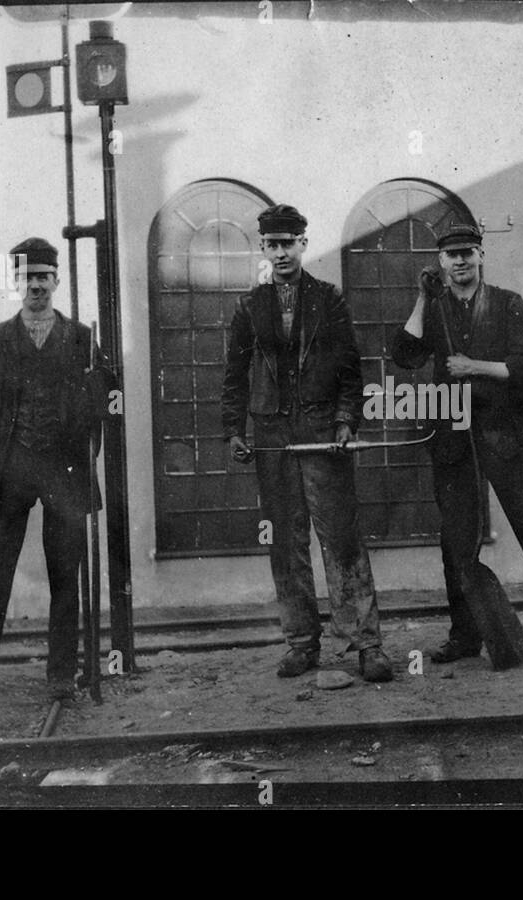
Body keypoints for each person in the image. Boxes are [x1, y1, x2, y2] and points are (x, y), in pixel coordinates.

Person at [390, 223, 523, 664]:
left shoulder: (507, 304)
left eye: (468, 252)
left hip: (504, 435)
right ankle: (466, 637)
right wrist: (422, 299)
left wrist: (476, 367)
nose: (461, 261)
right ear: (441, 263)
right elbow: (405, 355)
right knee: (457, 541)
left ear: (481, 255)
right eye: (452, 255)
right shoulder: (434, 309)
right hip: (453, 439)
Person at [0, 237, 113, 705]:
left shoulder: (80, 340)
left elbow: (103, 406)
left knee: (64, 575)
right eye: (28, 277)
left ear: (57, 280)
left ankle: (60, 677)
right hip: (9, 470)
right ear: (18, 282)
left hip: (63, 469)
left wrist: (95, 395)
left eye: (44, 277)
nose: (36, 286)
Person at [221, 204, 393, 683]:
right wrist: (235, 430)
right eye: (272, 244)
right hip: (273, 439)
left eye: (288, 243)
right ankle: (301, 643)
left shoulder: (328, 300)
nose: (280, 253)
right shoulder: (248, 308)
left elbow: (349, 371)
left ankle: (366, 644)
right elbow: (234, 378)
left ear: (303, 243)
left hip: (320, 435)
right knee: (285, 543)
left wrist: (344, 421)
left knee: (340, 537)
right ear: (263, 248)